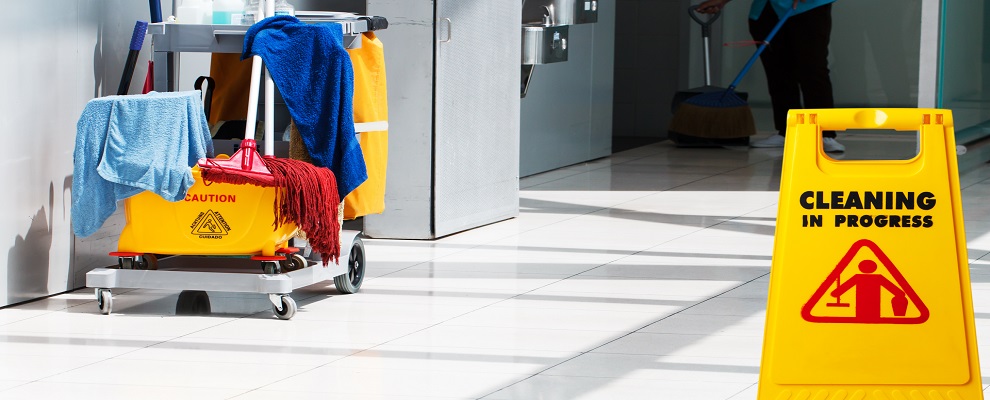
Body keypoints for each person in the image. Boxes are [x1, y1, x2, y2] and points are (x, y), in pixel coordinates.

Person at [695, 0, 845, 153]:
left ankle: (824, 134)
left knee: (812, 70)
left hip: (808, 8)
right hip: (767, 11)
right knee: (778, 73)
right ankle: (786, 131)